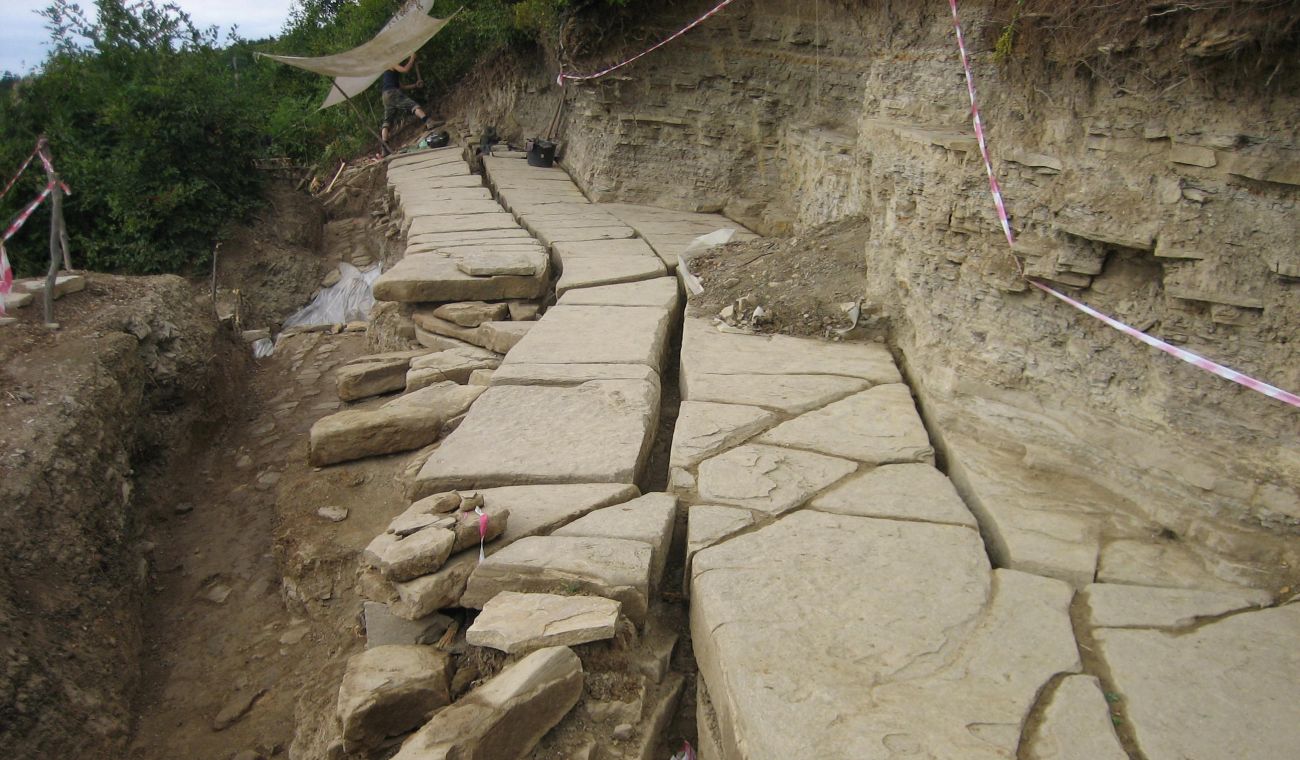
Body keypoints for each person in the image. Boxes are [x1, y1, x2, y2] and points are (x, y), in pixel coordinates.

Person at [380, 54, 435, 154]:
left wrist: (415, 85)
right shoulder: (391, 63)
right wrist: (412, 58)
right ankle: (429, 122)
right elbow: (405, 70)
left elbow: (403, 87)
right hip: (392, 92)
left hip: (385, 95)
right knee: (412, 105)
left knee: (387, 120)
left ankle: (384, 148)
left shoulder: (391, 73)